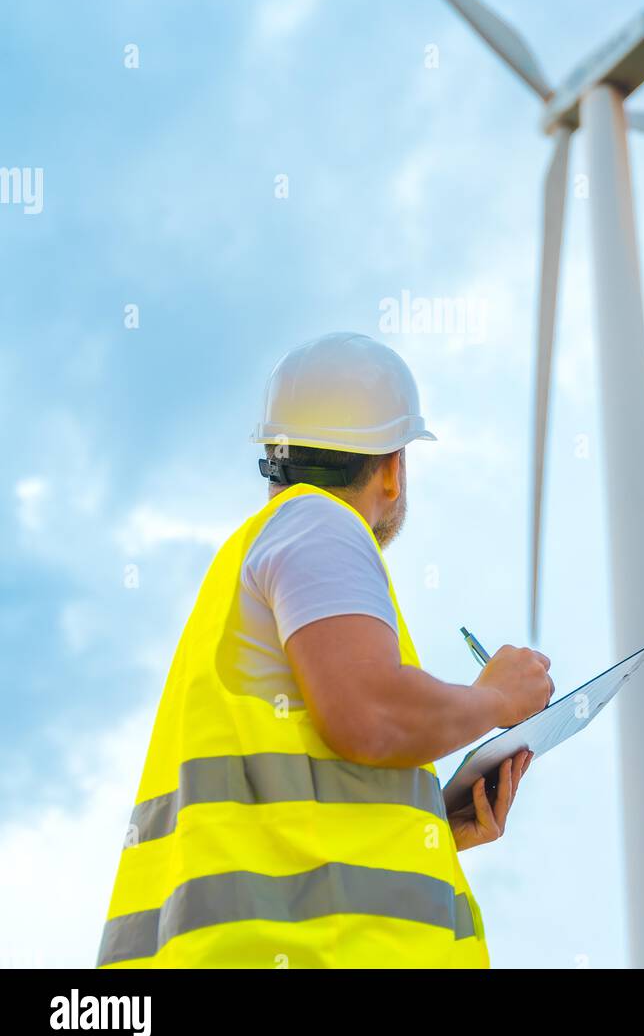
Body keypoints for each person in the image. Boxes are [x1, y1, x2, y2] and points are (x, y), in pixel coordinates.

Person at [97, 331, 553, 969]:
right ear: (392, 468)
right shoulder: (321, 525)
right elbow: (368, 714)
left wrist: (429, 821)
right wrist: (497, 697)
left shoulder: (266, 549)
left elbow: (293, 800)